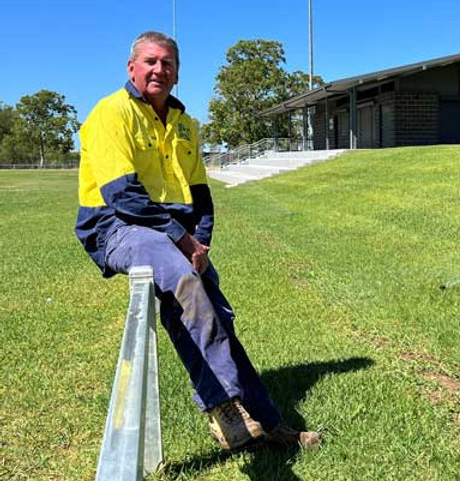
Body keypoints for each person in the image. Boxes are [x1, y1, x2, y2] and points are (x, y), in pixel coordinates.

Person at [75, 30, 319, 451]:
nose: (159, 69)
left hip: (174, 229)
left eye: (168, 63)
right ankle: (222, 406)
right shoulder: (110, 113)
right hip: (117, 224)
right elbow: (123, 195)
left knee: (215, 312)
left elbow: (201, 195)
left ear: (178, 74)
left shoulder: (186, 125)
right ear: (131, 66)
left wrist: (199, 243)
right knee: (182, 279)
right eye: (150, 61)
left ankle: (265, 421)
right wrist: (184, 244)